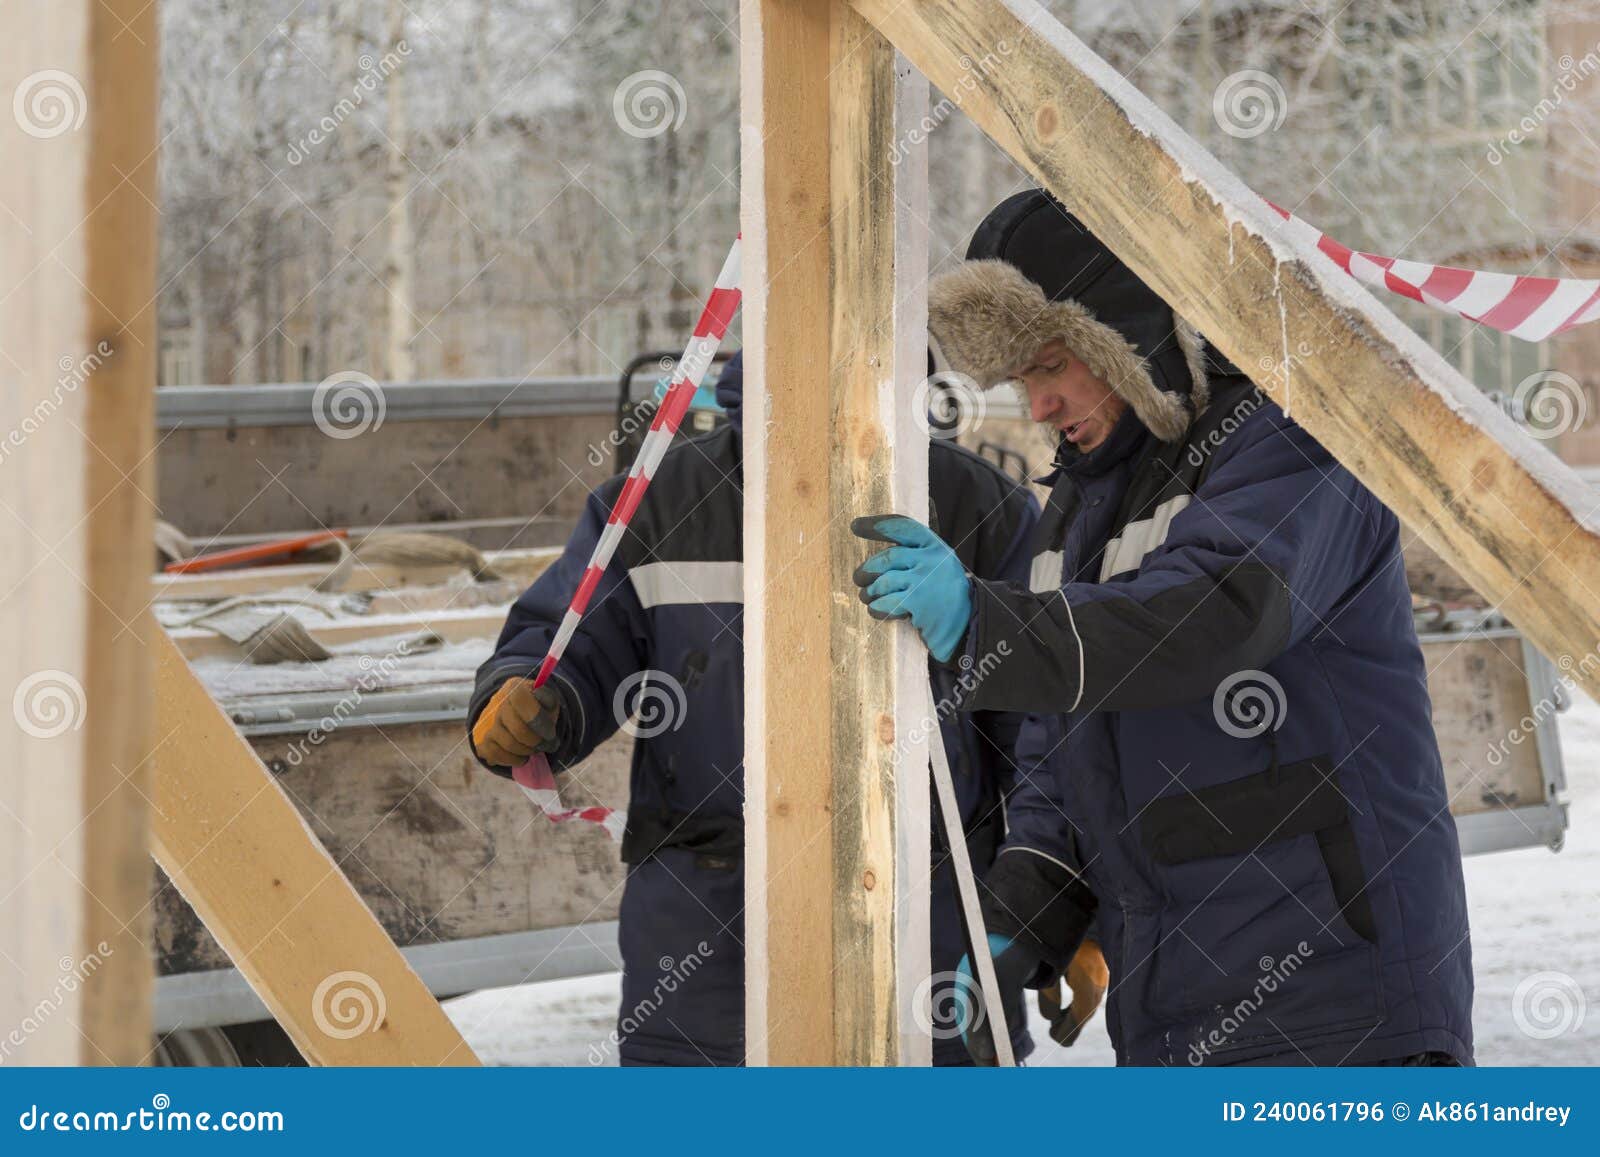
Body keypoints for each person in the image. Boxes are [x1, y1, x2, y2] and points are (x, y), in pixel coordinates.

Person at [852, 190, 1473, 1067]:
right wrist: (1030, 901)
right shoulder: (1074, 509)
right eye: (1022, 379)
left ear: (1128, 332)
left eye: (1052, 363)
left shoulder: (1294, 436)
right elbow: (1059, 740)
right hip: (1173, 1006)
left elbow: (1211, 616)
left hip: (1338, 996)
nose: (1037, 404)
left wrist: (983, 619)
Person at [469, 351, 1043, 1065]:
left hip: (927, 934)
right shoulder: (661, 501)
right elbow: (567, 645)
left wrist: (1063, 897)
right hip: (706, 943)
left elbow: (1046, 732)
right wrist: (527, 698)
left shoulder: (978, 509)